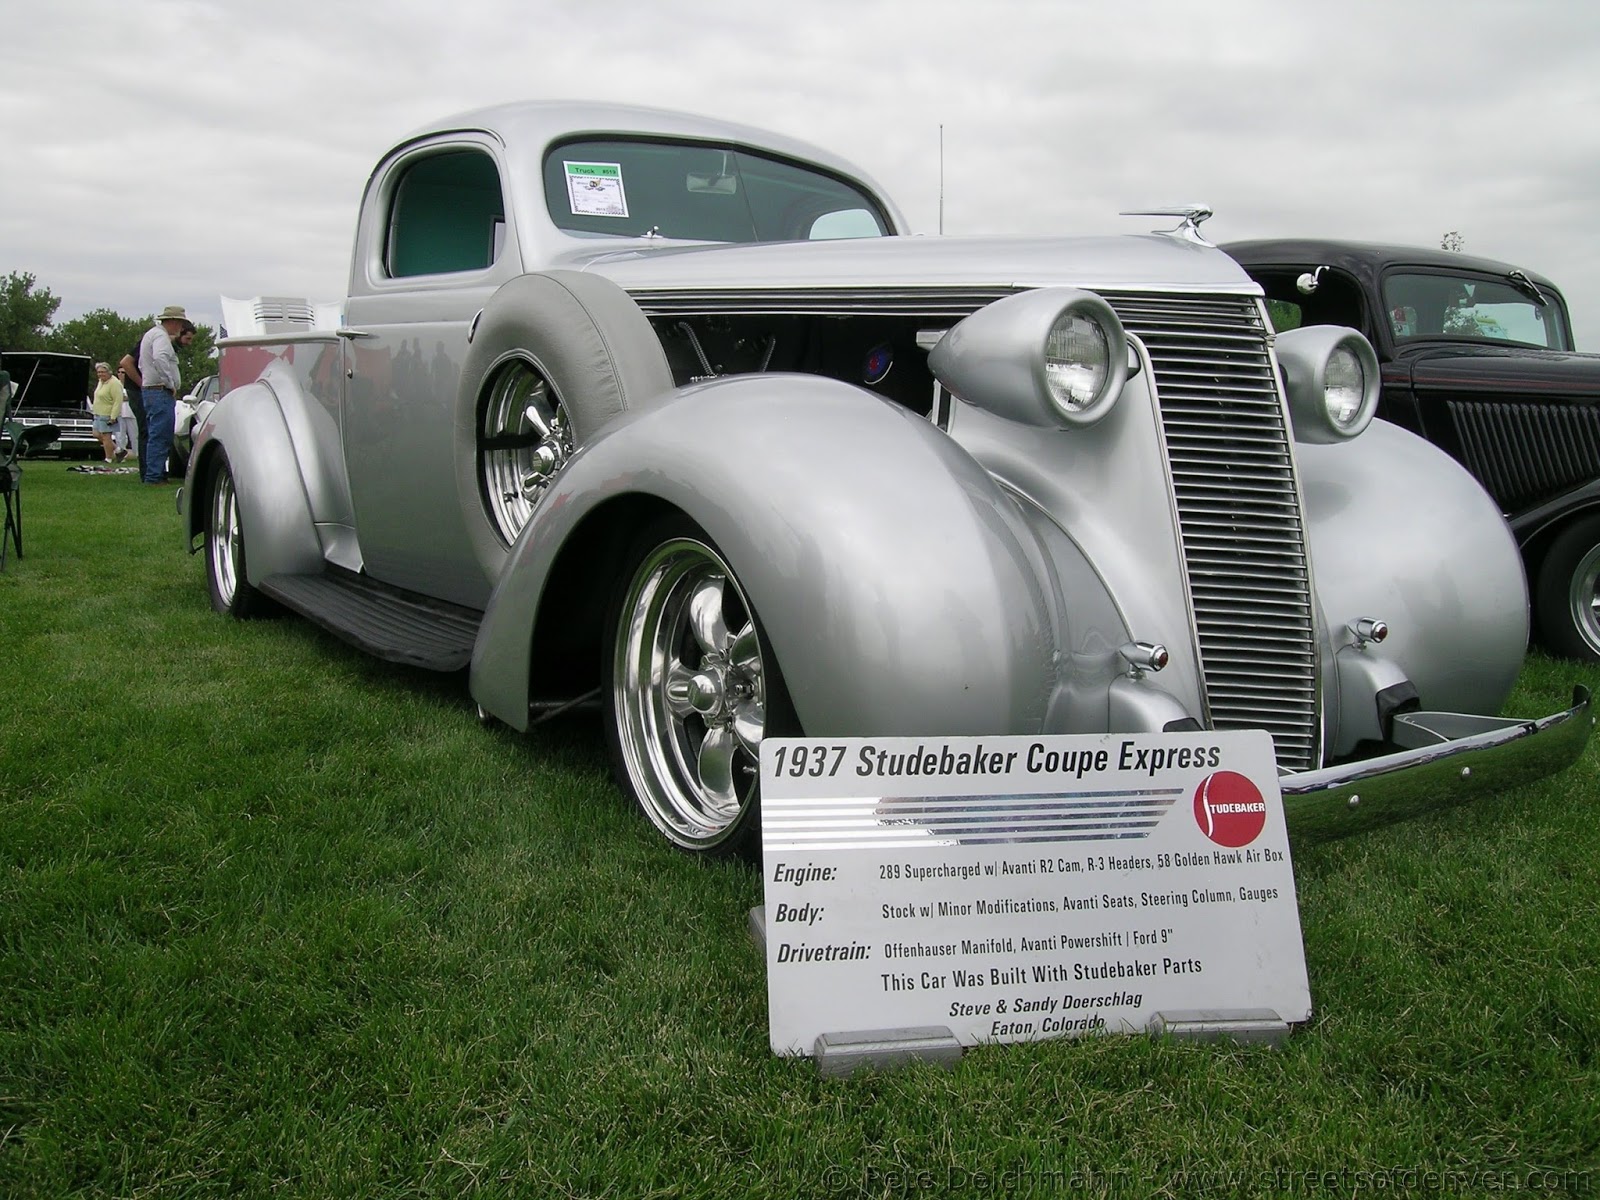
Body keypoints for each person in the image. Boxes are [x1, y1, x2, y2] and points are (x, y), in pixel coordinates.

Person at [137, 305, 187, 485]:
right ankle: (154, 476)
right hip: (160, 390)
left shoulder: (151, 334)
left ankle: (154, 473)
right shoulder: (161, 337)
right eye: (180, 323)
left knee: (156, 433)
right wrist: (170, 383)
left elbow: (144, 364)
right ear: (173, 321)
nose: (181, 328)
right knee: (161, 434)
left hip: (151, 389)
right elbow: (160, 358)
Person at [90, 362, 126, 463]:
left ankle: (108, 458)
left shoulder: (115, 383)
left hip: (108, 413)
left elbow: (117, 401)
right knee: (96, 434)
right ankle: (119, 450)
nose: (100, 374)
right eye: (98, 372)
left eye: (102, 372)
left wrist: (113, 417)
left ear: (109, 372)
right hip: (97, 412)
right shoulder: (100, 381)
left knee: (106, 437)